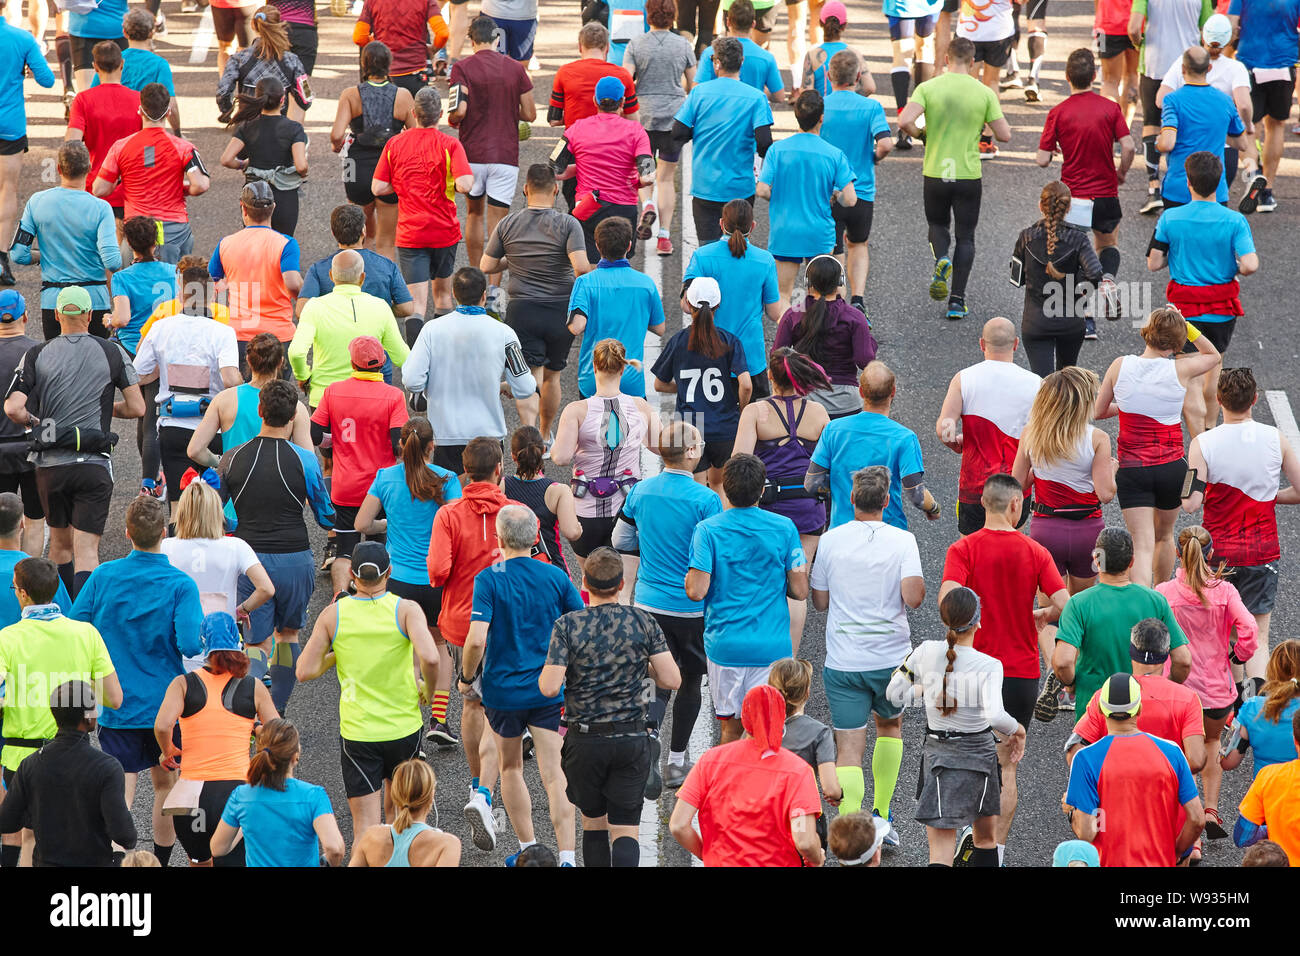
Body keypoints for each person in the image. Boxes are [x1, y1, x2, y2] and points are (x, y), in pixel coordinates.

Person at [939, 474, 1067, 861]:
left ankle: (968, 830)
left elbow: (948, 601)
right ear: (1016, 506)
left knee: (967, 756)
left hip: (973, 669)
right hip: (1021, 673)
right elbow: (1066, 603)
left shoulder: (963, 548)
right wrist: (1042, 614)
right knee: (1008, 764)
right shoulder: (1035, 551)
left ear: (983, 503)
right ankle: (995, 853)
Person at [71, 495, 202, 866]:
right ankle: (159, 860)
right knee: (166, 787)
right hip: (165, 705)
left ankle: (118, 861)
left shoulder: (103, 576)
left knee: (120, 789)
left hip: (118, 703)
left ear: (127, 534)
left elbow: (78, 627)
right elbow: (190, 643)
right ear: (163, 532)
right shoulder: (181, 584)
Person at [541, 546, 679, 864]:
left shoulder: (567, 626)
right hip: (631, 738)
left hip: (584, 739)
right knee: (625, 830)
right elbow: (672, 679)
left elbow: (549, 687)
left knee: (593, 825)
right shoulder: (642, 622)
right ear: (620, 585)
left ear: (585, 584)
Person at [3, 285, 145, 596]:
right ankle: (85, 621)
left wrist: (36, 422)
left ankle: (59, 613)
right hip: (93, 464)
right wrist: (105, 410)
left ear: (56, 315)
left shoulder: (38, 353)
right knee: (88, 551)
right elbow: (138, 407)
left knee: (60, 547)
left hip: (51, 466)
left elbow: (13, 408)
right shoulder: (112, 351)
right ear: (90, 315)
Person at [462, 506, 583, 865]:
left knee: (511, 767)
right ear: (535, 538)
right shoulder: (556, 576)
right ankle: (566, 857)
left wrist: (467, 678)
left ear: (498, 539)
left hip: (502, 692)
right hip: (547, 688)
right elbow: (576, 623)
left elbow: (475, 640)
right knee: (553, 772)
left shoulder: (489, 578)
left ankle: (529, 849)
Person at [297, 541, 440, 838]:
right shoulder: (406, 610)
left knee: (366, 827)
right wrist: (429, 688)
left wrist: (340, 652)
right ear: (389, 572)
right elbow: (430, 656)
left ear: (351, 574)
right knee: (403, 820)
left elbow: (304, 671)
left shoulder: (334, 614)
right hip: (403, 728)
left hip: (358, 733)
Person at [810, 466, 922, 841]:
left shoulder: (829, 540)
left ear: (853, 500)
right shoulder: (903, 540)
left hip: (844, 661)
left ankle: (851, 831)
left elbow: (820, 602)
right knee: (890, 727)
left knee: (849, 747)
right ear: (887, 501)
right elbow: (914, 598)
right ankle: (883, 816)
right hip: (892, 661)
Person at [428, 437, 526, 851]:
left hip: (459, 625)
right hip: (504, 623)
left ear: (465, 471)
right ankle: (485, 795)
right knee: (497, 709)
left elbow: (436, 571)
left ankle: (476, 787)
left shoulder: (449, 514)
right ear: (500, 469)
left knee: (470, 703)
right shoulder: (515, 513)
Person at [610, 420, 719, 786]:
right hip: (691, 608)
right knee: (690, 681)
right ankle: (676, 762)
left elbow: (621, 538)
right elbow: (714, 553)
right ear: (691, 452)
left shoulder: (640, 492)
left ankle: (649, 732)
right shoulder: (706, 499)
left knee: (653, 677)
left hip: (649, 604)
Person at [887, 586, 1026, 867]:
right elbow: (995, 716)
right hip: (979, 756)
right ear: (978, 621)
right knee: (985, 840)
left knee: (939, 853)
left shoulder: (925, 651)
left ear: (943, 620)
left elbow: (893, 694)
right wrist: (1018, 730)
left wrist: (925, 688)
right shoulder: (990, 665)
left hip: (939, 755)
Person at [221, 378, 335, 714]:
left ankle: (254, 714)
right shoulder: (305, 460)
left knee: (256, 641)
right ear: (294, 418)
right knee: (288, 636)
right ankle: (278, 710)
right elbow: (326, 517)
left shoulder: (232, 458)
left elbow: (216, 514)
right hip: (295, 560)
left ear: (259, 411)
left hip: (250, 560)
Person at [0, 557, 121, 867]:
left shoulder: (7, 639)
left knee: (31, 837)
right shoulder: (86, 634)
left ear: (23, 594)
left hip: (21, 757)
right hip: (78, 754)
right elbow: (115, 698)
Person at [1184, 368, 1300, 690]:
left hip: (1219, 553)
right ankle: (1259, 700)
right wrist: (1268, 497)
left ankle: (1233, 705)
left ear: (1218, 399)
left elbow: (1190, 503)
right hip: (1262, 550)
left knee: (1226, 632)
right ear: (1255, 400)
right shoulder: (1275, 438)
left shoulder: (1203, 443)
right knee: (1258, 635)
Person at [1093, 307, 1221, 585]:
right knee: (1165, 535)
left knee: (1141, 543)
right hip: (1171, 466)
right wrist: (1188, 327)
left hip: (1132, 469)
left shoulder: (1120, 365)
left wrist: (1127, 408)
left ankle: (1142, 606)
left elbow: (1098, 411)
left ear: (1147, 332)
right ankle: (1162, 596)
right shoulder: (1181, 368)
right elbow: (1214, 356)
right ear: (1176, 343)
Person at [353, 417, 461, 745]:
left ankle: (410, 724)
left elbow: (362, 522)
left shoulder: (386, 477)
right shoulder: (447, 478)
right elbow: (456, 525)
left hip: (397, 581)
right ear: (432, 447)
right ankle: (439, 719)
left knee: (408, 651)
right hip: (436, 581)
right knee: (439, 647)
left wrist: (389, 525)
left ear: (402, 445)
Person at [686, 453, 808, 742]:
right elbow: (801, 590)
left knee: (730, 730)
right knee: (769, 732)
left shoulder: (707, 530)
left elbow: (696, 591)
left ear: (725, 489)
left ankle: (728, 787)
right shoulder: (784, 527)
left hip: (726, 647)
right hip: (772, 649)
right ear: (762, 490)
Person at [1011, 368, 1117, 696]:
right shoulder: (1097, 438)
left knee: (1049, 610)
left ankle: (1056, 669)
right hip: (1088, 531)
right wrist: (1111, 469)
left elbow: (1017, 484)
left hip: (1045, 530)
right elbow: (1106, 493)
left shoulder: (1032, 434)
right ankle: (1078, 671)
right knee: (1082, 604)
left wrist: (1039, 476)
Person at [898, 38, 1011, 321]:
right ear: (972, 62)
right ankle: (957, 301)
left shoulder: (928, 87)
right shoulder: (984, 93)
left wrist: (921, 134)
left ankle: (941, 259)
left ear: (947, 59)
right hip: (967, 174)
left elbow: (904, 121)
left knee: (937, 225)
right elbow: (1005, 135)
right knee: (966, 237)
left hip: (936, 171)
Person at [154, 613, 279, 866]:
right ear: (238, 641)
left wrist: (167, 751)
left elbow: (163, 724)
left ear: (203, 643)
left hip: (193, 797)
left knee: (200, 861)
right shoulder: (253, 686)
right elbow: (278, 732)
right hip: (236, 792)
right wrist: (254, 727)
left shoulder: (183, 683)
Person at [1154, 533, 1255, 840]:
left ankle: (1190, 833)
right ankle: (1210, 809)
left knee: (1182, 752)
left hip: (1178, 690)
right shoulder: (1224, 590)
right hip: (1216, 690)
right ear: (1211, 554)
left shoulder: (1164, 592)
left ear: (1177, 553)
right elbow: (1249, 628)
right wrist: (1238, 655)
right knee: (1211, 744)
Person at [1148, 152, 1258, 435]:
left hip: (1185, 310)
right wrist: (1234, 267)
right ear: (1220, 181)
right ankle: (1211, 427)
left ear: (1188, 182)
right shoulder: (1234, 221)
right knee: (1214, 367)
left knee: (1189, 376)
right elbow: (1250, 264)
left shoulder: (1170, 218)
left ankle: (1198, 440)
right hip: (1221, 308)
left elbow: (1154, 262)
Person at [481, 164, 591, 442]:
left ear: (525, 189)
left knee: (526, 376)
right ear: (555, 189)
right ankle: (544, 434)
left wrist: (515, 259)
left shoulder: (507, 223)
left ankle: (528, 436)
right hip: (560, 310)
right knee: (553, 375)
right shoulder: (568, 223)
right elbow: (580, 268)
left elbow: (486, 264)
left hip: (522, 310)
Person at [731, 349, 827, 645]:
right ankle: (790, 660)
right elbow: (830, 463)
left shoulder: (756, 412)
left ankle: (759, 645)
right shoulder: (818, 413)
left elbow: (739, 461)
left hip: (767, 508)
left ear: (770, 377)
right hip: (809, 507)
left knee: (762, 579)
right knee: (798, 583)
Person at [669, 684, 824, 866]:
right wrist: (817, 858)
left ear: (745, 718)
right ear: (782, 719)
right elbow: (804, 840)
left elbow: (678, 825)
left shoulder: (710, 761)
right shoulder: (798, 771)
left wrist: (707, 853)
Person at [1036, 49, 1136, 330]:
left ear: (1067, 77)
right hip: (1105, 194)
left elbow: (1042, 159)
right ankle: (1106, 280)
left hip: (1073, 199)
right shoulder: (1110, 108)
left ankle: (1086, 322)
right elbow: (1128, 146)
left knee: (1075, 257)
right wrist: (1122, 172)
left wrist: (1055, 151)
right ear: (1094, 76)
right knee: (1107, 246)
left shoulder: (1058, 113)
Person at [403, 267, 538, 474]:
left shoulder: (431, 329)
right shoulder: (504, 333)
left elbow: (412, 380)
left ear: (454, 294)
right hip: (489, 436)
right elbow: (525, 388)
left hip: (446, 435)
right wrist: (502, 385)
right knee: (488, 501)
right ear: (484, 296)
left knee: (452, 501)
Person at [1052, 526, 1192, 722]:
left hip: (1094, 712)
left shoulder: (1078, 604)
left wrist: (1072, 684)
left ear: (1096, 560)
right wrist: (1164, 687)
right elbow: (1183, 660)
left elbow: (1063, 662)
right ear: (1132, 562)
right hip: (1143, 710)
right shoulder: (1155, 601)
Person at [132, 264, 241, 515]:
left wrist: (163, 370)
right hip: (211, 431)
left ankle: (178, 549)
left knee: (178, 506)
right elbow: (230, 379)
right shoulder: (223, 332)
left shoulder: (161, 327)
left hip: (173, 427)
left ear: (181, 294)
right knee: (214, 505)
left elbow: (138, 374)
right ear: (213, 295)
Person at [1064, 673, 1206, 865]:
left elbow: (1087, 833)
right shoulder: (1172, 752)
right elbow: (1197, 819)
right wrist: (1177, 851)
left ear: (1100, 708)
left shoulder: (1085, 759)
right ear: (1139, 709)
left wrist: (1071, 811)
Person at [308, 336, 408, 592]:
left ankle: (340, 597)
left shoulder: (333, 390)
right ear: (382, 362)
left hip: (345, 486)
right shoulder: (394, 396)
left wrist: (337, 442)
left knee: (344, 550)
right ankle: (376, 597)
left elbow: (316, 434)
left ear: (352, 361)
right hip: (380, 488)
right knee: (379, 546)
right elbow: (400, 444)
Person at [0, 681, 135, 867]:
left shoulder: (30, 765)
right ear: (88, 717)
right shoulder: (107, 767)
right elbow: (125, 836)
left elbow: (7, 822)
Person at [447, 15, 536, 293]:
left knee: (474, 214)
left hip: (472, 154)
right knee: (499, 222)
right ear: (497, 39)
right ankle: (495, 288)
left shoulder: (461, 68)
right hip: (505, 154)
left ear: (471, 40)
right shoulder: (515, 69)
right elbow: (530, 113)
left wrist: (454, 119)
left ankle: (475, 280)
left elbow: (458, 111)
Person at [552, 338, 656, 569]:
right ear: (622, 368)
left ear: (595, 367)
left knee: (589, 581)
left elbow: (560, 457)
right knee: (623, 581)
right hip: (627, 508)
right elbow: (662, 446)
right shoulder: (640, 407)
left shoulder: (576, 411)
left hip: (586, 509)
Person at [373, 86, 473, 321]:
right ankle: (442, 354)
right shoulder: (450, 144)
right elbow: (466, 184)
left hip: (411, 233)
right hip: (444, 232)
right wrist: (455, 185)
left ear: (414, 114)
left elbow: (377, 187)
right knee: (443, 299)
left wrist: (401, 186)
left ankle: (414, 355)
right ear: (440, 115)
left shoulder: (394, 144)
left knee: (416, 305)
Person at [935, 316, 1041, 533]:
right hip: (1015, 488)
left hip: (975, 488)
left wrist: (954, 443)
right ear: (1016, 344)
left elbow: (945, 428)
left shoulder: (964, 378)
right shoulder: (1036, 383)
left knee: (971, 553)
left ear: (982, 344)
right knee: (1011, 549)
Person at [806, 361, 940, 531]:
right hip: (889, 532)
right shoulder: (904, 438)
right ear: (893, 392)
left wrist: (838, 484)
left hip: (843, 530)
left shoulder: (833, 429)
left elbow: (812, 483)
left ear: (861, 392)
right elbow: (917, 495)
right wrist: (934, 508)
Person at [162, 477, 275, 676]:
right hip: (223, 645)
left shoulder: (166, 547)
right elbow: (266, 588)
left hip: (180, 644)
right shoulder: (236, 546)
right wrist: (241, 609)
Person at [11, 141, 120, 339]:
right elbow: (112, 261)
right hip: (94, 300)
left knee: (56, 364)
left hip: (54, 301)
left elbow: (18, 254)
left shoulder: (37, 201)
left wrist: (41, 256)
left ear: (59, 168)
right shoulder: (101, 208)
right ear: (88, 168)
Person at [756, 92, 856, 308]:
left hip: (785, 231)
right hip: (819, 233)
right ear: (821, 118)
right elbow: (851, 199)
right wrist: (836, 195)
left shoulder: (777, 150)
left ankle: (789, 338)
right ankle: (820, 338)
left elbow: (762, 189)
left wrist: (780, 197)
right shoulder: (834, 154)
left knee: (783, 294)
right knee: (825, 293)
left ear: (796, 116)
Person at [671, 36, 775, 244]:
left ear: (716, 63)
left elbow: (678, 132)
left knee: (707, 248)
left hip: (705, 187)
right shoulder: (755, 97)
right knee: (737, 246)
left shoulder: (699, 93)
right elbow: (764, 142)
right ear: (742, 62)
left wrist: (699, 132)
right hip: (740, 188)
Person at [652, 277, 751, 491]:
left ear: (688, 304)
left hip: (691, 427)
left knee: (698, 489)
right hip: (724, 425)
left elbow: (659, 384)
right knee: (721, 485)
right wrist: (741, 410)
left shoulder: (678, 341)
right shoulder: (729, 340)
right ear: (718, 304)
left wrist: (684, 387)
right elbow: (746, 384)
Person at [93, 83, 209, 265]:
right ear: (168, 112)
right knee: (174, 284)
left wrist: (124, 180)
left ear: (140, 110)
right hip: (173, 228)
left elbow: (100, 189)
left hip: (136, 230)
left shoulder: (121, 147)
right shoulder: (183, 147)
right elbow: (201, 184)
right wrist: (182, 188)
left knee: (131, 282)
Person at [185, 332, 314, 490]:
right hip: (274, 495)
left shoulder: (224, 399)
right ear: (281, 362)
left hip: (232, 499)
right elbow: (308, 462)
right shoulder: (295, 406)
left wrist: (221, 462)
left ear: (248, 360)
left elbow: (195, 450)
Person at [210, 718, 346, 867]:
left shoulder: (241, 796)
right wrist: (326, 863)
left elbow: (217, 848)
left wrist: (246, 824)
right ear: (295, 756)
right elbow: (335, 848)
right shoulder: (313, 795)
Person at [551, 75, 655, 262]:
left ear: (595, 101)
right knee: (619, 262)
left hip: (588, 207)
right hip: (623, 209)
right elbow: (648, 176)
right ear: (622, 101)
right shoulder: (637, 131)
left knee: (588, 264)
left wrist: (583, 167)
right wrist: (635, 181)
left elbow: (555, 170)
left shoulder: (576, 128)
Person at [682, 200, 781, 396]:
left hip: (709, 353)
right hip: (750, 358)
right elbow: (774, 312)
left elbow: (686, 305)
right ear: (752, 226)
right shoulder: (765, 260)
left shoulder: (702, 256)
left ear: (721, 224)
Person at [108, 221, 177, 496]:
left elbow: (122, 318)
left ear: (129, 244)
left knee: (144, 416)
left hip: (133, 352)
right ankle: (153, 480)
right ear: (155, 243)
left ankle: (150, 479)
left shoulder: (122, 277)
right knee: (151, 418)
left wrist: (108, 319)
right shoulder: (173, 272)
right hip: (164, 351)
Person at [290, 252, 410, 409]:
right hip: (369, 399)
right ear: (362, 278)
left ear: (331, 276)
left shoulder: (314, 307)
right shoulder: (381, 307)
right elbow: (402, 357)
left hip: (324, 398)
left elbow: (296, 352)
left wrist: (303, 376)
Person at [821, 51, 892, 316]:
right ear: (858, 77)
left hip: (828, 191)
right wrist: (873, 157)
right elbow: (886, 143)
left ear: (829, 76)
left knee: (835, 246)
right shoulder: (870, 107)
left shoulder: (822, 105)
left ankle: (837, 301)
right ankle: (858, 300)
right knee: (858, 244)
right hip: (861, 189)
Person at [330, 43, 414, 265]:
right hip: (390, 170)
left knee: (359, 237)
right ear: (389, 64)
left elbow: (337, 134)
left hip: (356, 168)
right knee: (387, 242)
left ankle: (359, 284)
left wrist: (337, 146)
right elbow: (416, 136)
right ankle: (385, 290)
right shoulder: (403, 95)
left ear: (363, 63)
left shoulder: (350, 95)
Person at [566, 217, 666, 401]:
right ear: (629, 246)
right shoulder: (645, 284)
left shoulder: (585, 282)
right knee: (632, 429)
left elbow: (576, 327)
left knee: (595, 429)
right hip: (630, 377)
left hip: (594, 378)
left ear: (597, 246)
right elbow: (659, 328)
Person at [624, 0, 696, 254]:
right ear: (673, 16)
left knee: (646, 173)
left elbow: (627, 82)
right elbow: (692, 85)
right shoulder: (683, 45)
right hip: (674, 120)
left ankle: (648, 206)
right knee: (666, 178)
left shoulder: (636, 44)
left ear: (648, 15)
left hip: (643, 120)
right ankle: (664, 237)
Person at [299, 204, 416, 358]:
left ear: (334, 233)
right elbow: (407, 308)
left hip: (332, 359)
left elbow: (301, 310)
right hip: (376, 362)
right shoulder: (386, 266)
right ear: (364, 231)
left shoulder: (318, 269)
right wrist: (383, 311)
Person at [1128, 0, 1213, 213]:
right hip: (1189, 67)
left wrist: (1140, 44)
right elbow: (1209, 29)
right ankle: (1191, 186)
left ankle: (1154, 188)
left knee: (1151, 123)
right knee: (1187, 125)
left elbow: (1133, 28)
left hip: (1155, 62)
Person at [1154, 16, 1253, 198]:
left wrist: (1159, 141)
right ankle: (1252, 170)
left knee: (1176, 224)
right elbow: (1244, 108)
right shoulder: (1227, 94)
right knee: (1214, 217)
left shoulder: (1180, 72)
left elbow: (1160, 100)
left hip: (1180, 179)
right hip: (1219, 156)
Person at [1012, 182, 1106, 368]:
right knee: (1067, 380)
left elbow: (1017, 278)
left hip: (1036, 320)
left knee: (1042, 384)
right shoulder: (1079, 239)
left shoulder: (1027, 237)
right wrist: (1079, 291)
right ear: (1069, 207)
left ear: (1041, 205)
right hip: (1070, 321)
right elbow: (1094, 272)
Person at [549, 21, 640, 211]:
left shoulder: (564, 72)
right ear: (607, 47)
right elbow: (634, 120)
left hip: (575, 146)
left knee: (571, 190)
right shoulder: (622, 76)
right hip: (615, 145)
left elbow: (553, 119)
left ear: (580, 46)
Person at [208, 181, 302, 359]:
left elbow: (208, 285)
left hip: (238, 335)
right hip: (278, 335)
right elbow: (293, 283)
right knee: (276, 387)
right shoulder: (287, 244)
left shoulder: (225, 244)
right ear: (273, 208)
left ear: (243, 208)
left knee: (242, 387)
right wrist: (305, 301)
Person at [775, 258, 876, 419]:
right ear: (840, 282)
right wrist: (868, 339)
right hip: (846, 404)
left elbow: (777, 357)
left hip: (804, 401)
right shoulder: (855, 317)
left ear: (808, 282)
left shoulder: (793, 315)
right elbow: (865, 360)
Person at [1226, 0, 1300, 212]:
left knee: (1249, 127)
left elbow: (1232, 24)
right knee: (1276, 126)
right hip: (1284, 62)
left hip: (1250, 62)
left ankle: (1252, 173)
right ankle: (1267, 191)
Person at [65, 41, 141, 239]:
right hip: (132, 191)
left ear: (95, 66)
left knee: (99, 252)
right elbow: (149, 146)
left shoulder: (83, 100)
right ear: (122, 64)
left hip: (96, 189)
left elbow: (71, 144)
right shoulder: (138, 99)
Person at [0, 4, 53, 287]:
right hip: (9, 124)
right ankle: (1, 258)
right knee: (7, 190)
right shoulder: (22, 38)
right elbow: (47, 79)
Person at [220, 76, 309, 236]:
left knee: (255, 242)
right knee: (282, 243)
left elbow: (226, 159)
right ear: (283, 100)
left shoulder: (246, 126)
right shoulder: (294, 128)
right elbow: (301, 165)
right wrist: (303, 173)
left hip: (254, 193)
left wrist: (243, 164)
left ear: (258, 98)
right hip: (284, 195)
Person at [769, 658, 842, 846]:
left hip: (763, 816)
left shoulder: (755, 727)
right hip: (800, 818)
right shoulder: (819, 732)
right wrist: (837, 795)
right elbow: (830, 788)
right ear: (807, 693)